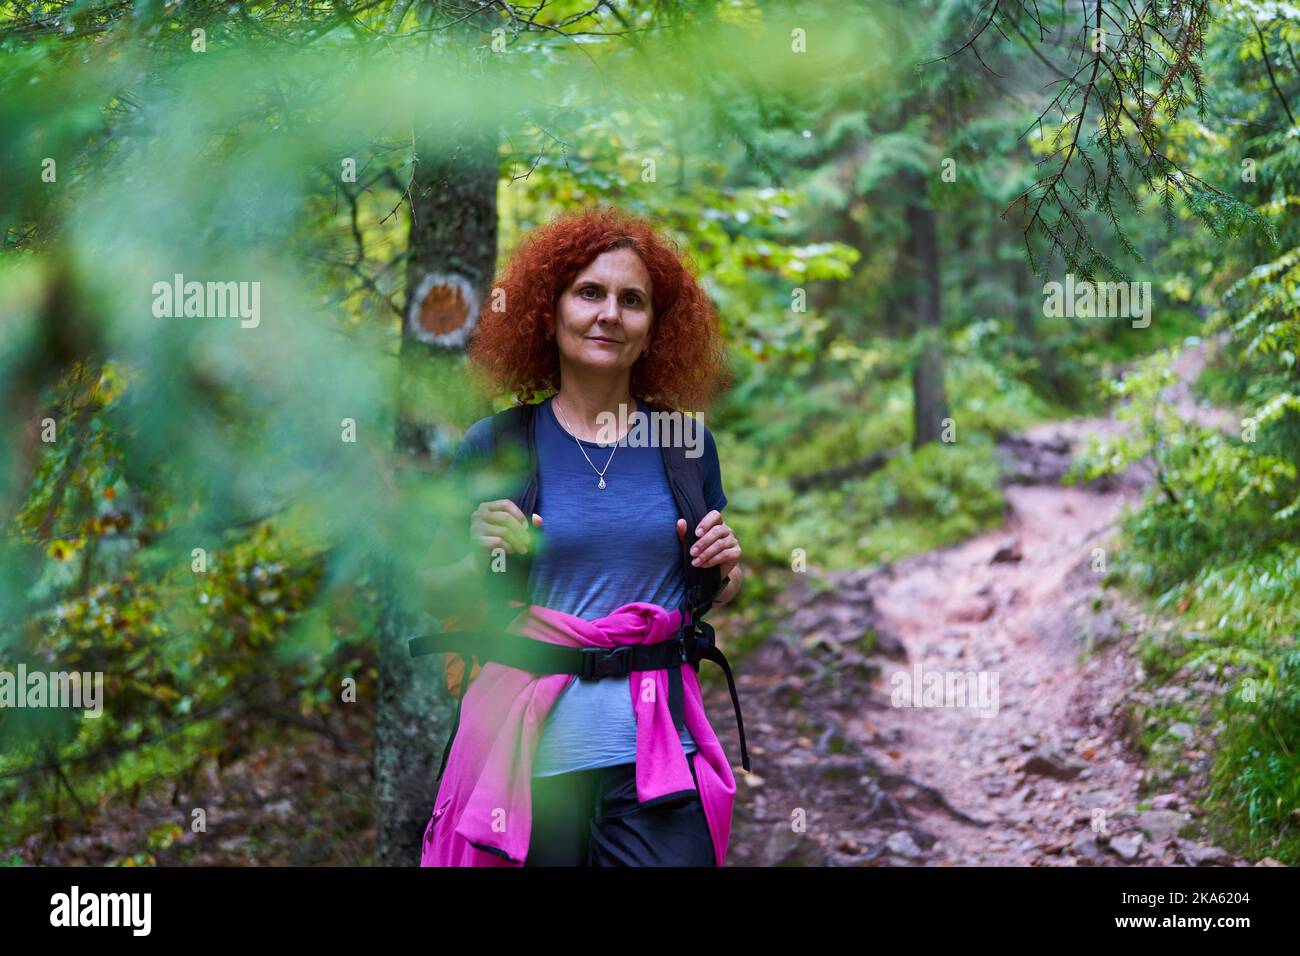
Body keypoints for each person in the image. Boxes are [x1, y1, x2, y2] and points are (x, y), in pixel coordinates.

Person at [423, 205, 744, 866]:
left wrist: (725, 565)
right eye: (590, 292)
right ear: (549, 309)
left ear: (655, 327)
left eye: (633, 301)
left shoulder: (684, 443)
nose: (610, 314)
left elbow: (715, 587)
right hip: (528, 768)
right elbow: (432, 589)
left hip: (657, 764)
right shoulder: (497, 445)